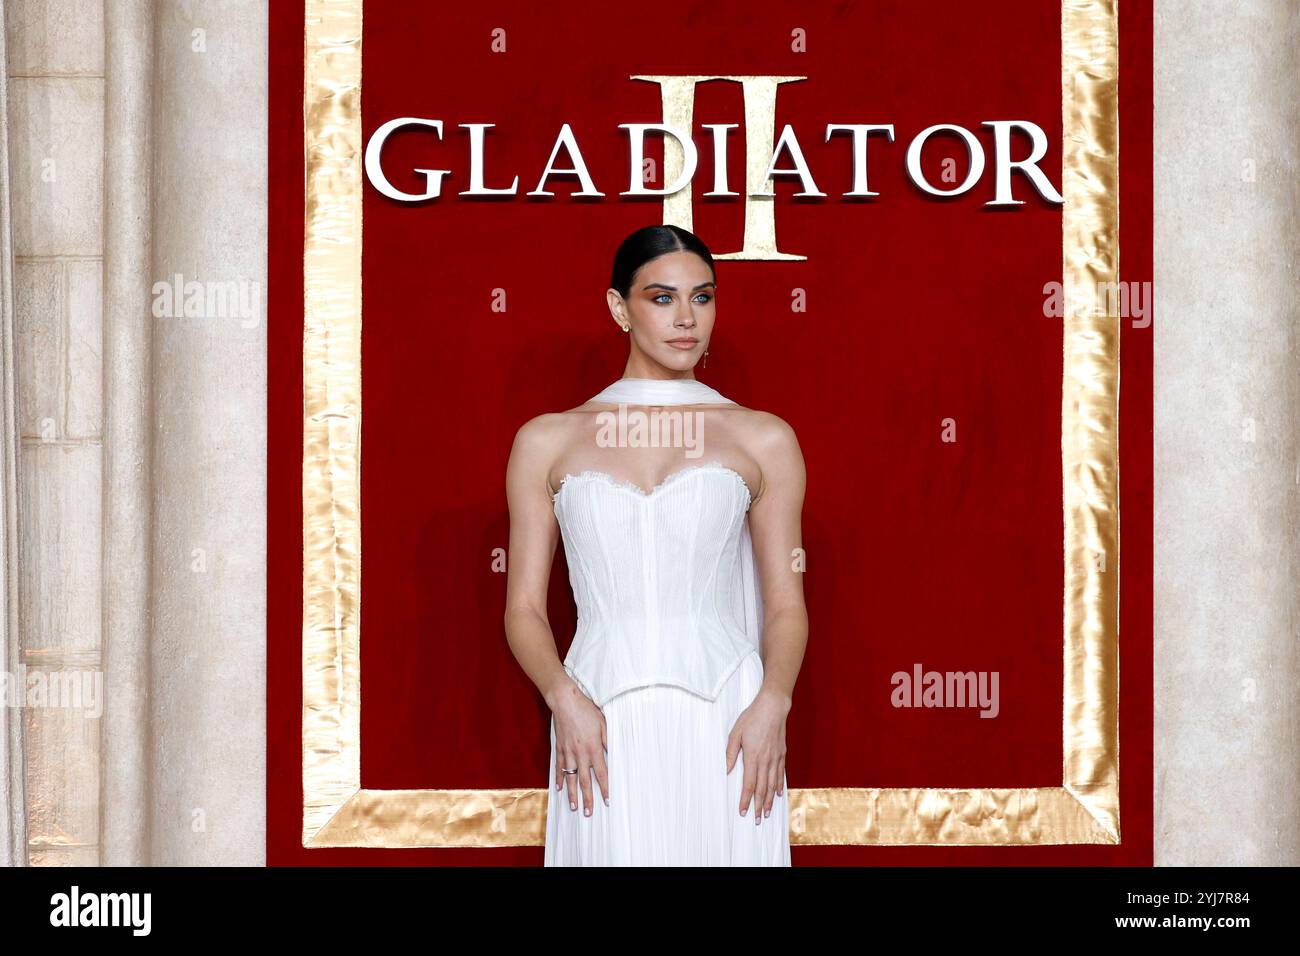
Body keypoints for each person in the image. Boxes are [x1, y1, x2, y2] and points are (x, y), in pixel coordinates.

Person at [504, 224, 808, 866]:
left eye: (703, 297)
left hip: (731, 718)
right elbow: (523, 608)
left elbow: (785, 602)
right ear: (620, 308)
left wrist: (773, 703)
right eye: (662, 298)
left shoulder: (763, 439)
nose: (687, 319)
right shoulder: (548, 440)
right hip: (597, 718)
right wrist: (563, 699)